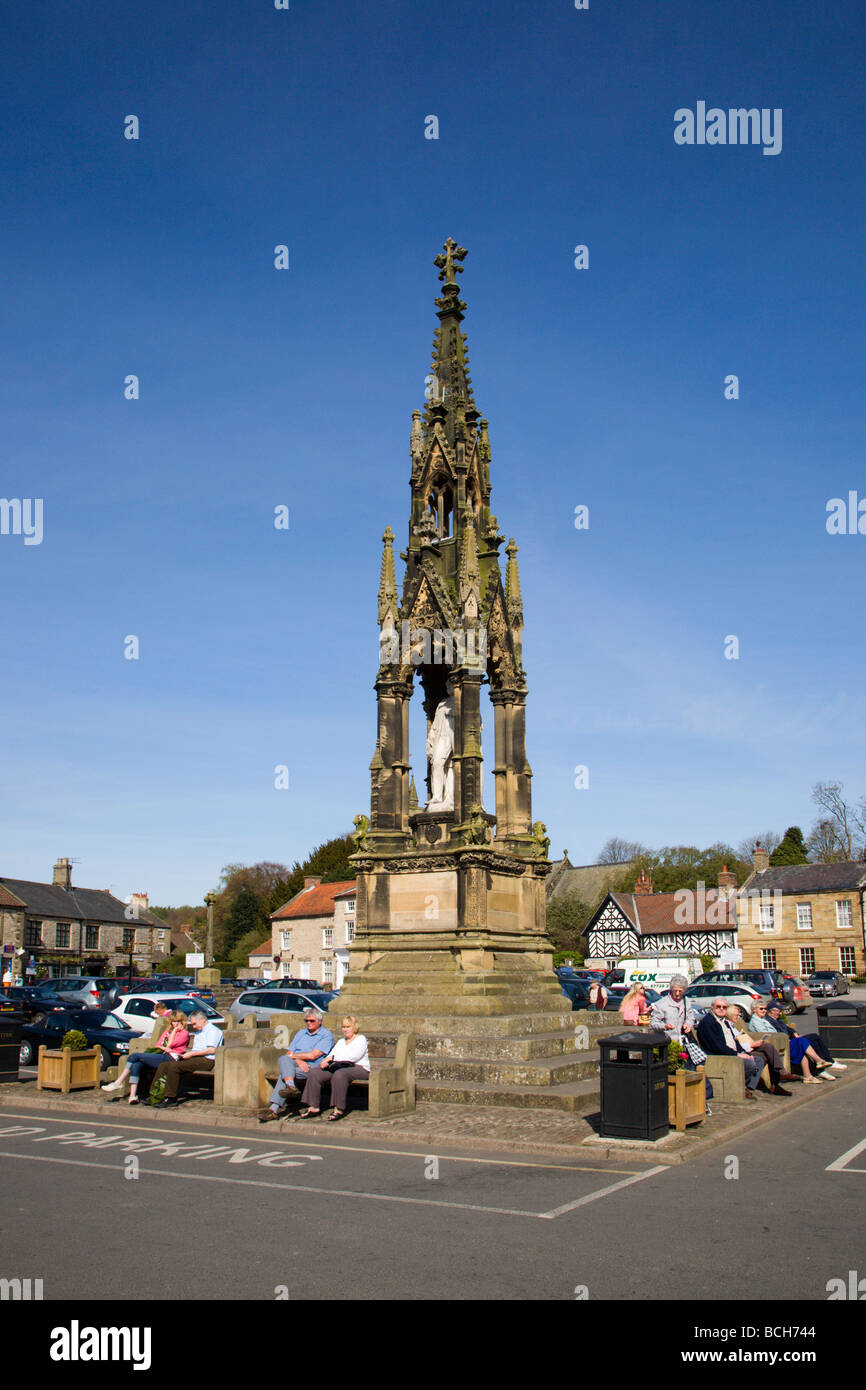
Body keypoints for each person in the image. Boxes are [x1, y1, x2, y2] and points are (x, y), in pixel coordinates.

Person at [259, 1007, 335, 1122]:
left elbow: (313, 1056)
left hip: (314, 1067)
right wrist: (299, 1061)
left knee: (284, 1074)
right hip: (297, 1064)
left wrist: (295, 1057)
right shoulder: (301, 1033)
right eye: (306, 1021)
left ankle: (274, 1108)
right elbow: (289, 1052)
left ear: (319, 1021)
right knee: (283, 1059)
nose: (308, 1023)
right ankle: (291, 1086)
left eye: (312, 1021)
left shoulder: (326, 1035)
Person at [102, 1010, 190, 1103]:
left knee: (134, 1056)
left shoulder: (184, 1033)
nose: (175, 1024)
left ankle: (118, 1082)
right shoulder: (167, 1032)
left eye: (177, 1021)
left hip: (171, 1058)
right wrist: (164, 1047)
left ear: (182, 1022)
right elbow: (158, 1045)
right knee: (136, 1065)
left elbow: (169, 1045)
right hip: (161, 1055)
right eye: (173, 1021)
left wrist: (174, 1032)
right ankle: (132, 1096)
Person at [298, 1015, 370, 1122]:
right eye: (343, 1027)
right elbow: (331, 1054)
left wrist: (332, 1058)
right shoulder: (341, 1041)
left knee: (340, 1074)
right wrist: (325, 1061)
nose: (345, 1029)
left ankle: (339, 1108)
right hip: (340, 1066)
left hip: (359, 1068)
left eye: (348, 1027)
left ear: (354, 1027)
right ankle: (313, 1107)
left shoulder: (361, 1039)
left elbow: (353, 1057)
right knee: (315, 1073)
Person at [151, 1010, 224, 1106]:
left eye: (194, 1024)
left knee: (174, 1067)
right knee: (164, 1066)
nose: (193, 1027)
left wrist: (191, 1054)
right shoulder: (200, 1031)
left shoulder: (213, 1031)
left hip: (207, 1060)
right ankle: (155, 1095)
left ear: (202, 1020)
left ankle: (170, 1098)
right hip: (195, 1057)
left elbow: (211, 1050)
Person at [761, 1001, 846, 1083]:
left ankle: (827, 1062)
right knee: (804, 1042)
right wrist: (790, 1037)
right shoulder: (768, 1021)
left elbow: (787, 1028)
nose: (780, 1013)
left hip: (792, 1038)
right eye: (779, 1011)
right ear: (772, 1011)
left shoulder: (778, 1019)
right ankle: (822, 1065)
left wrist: (794, 1032)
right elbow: (778, 1034)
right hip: (787, 1042)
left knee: (814, 1037)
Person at [696, 998, 764, 1099]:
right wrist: (737, 1054)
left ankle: (747, 1088)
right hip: (718, 1057)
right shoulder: (708, 1022)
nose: (721, 1009)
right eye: (718, 1007)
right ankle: (740, 1088)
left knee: (758, 1060)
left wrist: (744, 1052)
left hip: (732, 1053)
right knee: (749, 1064)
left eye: (724, 1007)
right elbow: (717, 1046)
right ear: (712, 1008)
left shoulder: (725, 1021)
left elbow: (735, 1041)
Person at [724, 1006, 791, 1095]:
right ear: (730, 1015)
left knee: (767, 1050)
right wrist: (751, 1045)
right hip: (744, 1049)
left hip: (747, 1047)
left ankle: (775, 1084)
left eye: (739, 1015)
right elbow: (735, 1044)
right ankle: (778, 1076)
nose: (738, 1017)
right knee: (765, 1051)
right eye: (736, 1015)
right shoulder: (727, 1026)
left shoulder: (733, 1026)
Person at [649, 975, 697, 1041]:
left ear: (684, 990)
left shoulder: (687, 1001)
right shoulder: (661, 1004)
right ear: (671, 989)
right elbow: (653, 1023)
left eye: (680, 991)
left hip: (683, 1040)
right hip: (665, 1040)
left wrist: (688, 1024)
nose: (677, 994)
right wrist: (665, 1026)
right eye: (675, 991)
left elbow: (690, 1018)